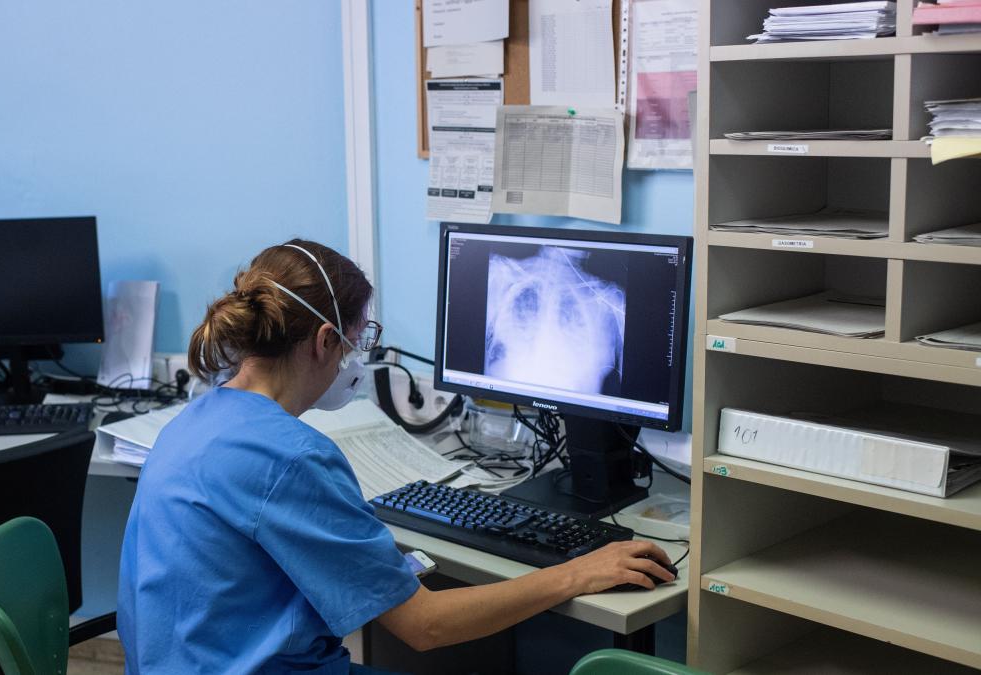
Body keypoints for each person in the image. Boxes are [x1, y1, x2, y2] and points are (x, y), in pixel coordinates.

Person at [117, 239, 675, 674]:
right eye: (360, 339)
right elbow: (425, 627)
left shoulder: (195, 420)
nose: (357, 358)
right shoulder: (292, 458)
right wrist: (575, 573)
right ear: (325, 341)